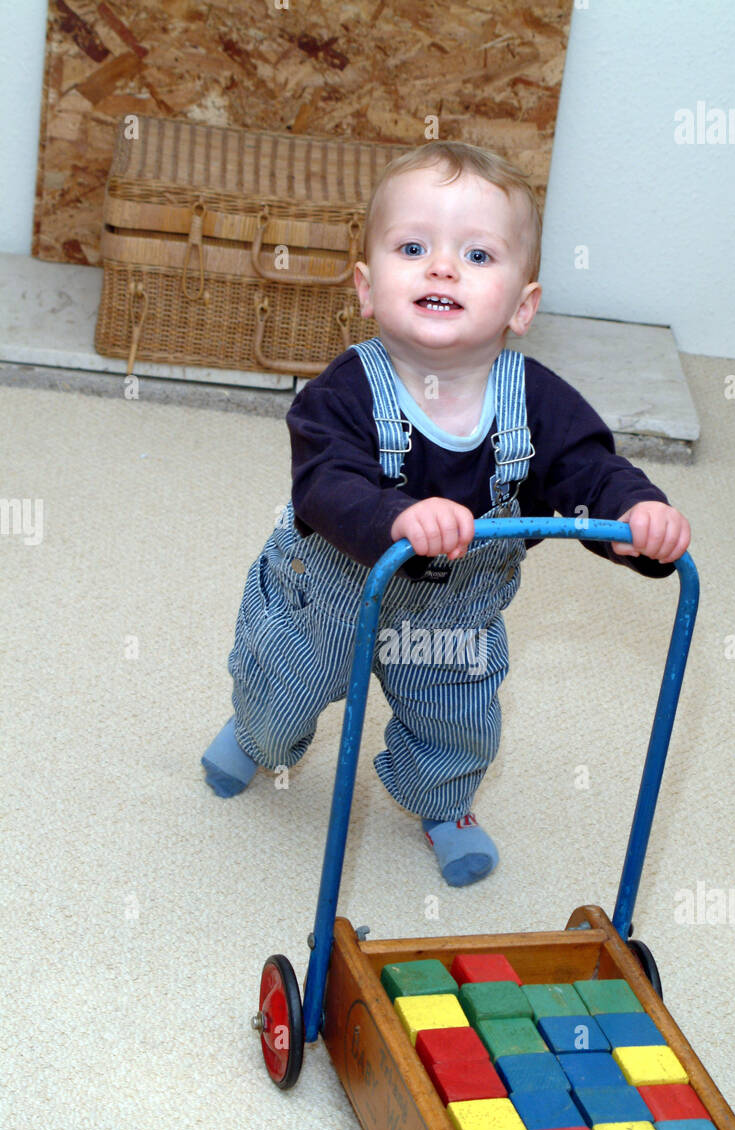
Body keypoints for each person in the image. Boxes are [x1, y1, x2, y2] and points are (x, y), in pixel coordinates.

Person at [202, 141, 691, 887]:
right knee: (284, 689)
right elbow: (324, 483)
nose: (442, 268)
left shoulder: (540, 403)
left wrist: (637, 518)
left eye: (477, 255)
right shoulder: (343, 391)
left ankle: (443, 802)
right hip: (331, 596)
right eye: (413, 247)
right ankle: (256, 733)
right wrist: (395, 517)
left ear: (523, 306)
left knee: (457, 719)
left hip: (453, 619)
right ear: (366, 288)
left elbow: (588, 472)